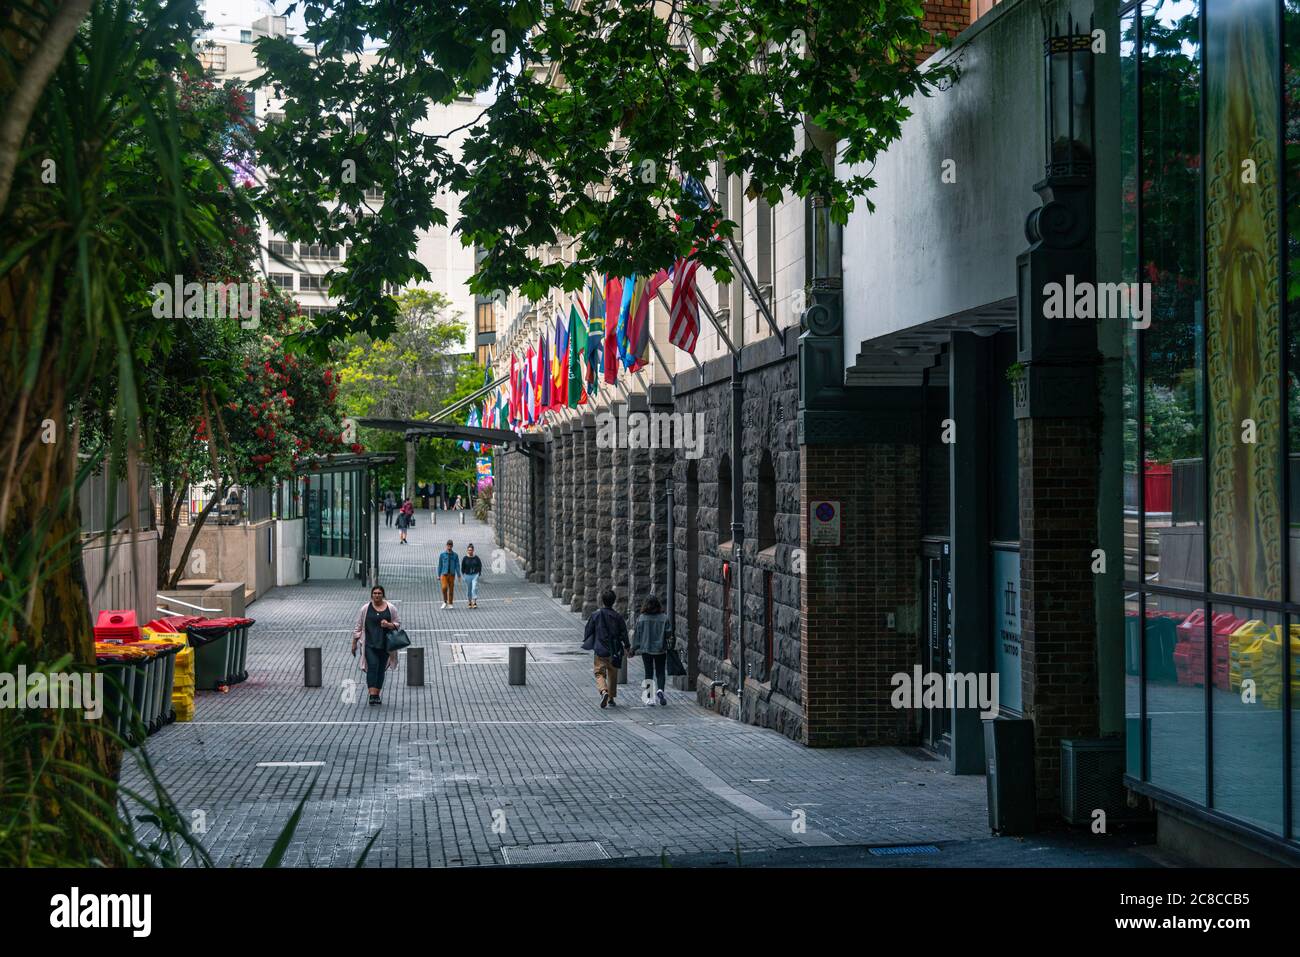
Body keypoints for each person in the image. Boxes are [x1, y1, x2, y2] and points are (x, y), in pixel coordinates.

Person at [352, 585, 401, 706]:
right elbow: (358, 627)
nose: (377, 595)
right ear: (371, 595)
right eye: (375, 593)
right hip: (369, 644)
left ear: (383, 595)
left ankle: (377, 694)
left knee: (381, 669)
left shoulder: (391, 608)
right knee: (372, 666)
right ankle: (372, 695)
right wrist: (354, 643)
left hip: (386, 645)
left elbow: (397, 624)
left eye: (379, 593)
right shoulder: (365, 609)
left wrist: (388, 625)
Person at [582, 589, 629, 709]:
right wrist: (627, 646)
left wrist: (588, 639)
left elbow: (588, 630)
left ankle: (603, 691)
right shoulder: (617, 616)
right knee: (613, 673)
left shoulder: (596, 615)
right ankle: (611, 698)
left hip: (600, 649)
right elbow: (624, 633)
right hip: (614, 650)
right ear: (614, 601)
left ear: (602, 601)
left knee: (599, 673)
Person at [632, 594, 671, 706]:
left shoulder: (641, 618)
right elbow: (669, 633)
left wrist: (633, 649)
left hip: (646, 649)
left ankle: (649, 698)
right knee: (660, 672)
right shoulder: (664, 618)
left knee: (648, 672)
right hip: (660, 649)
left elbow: (637, 635)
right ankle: (660, 690)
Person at [437, 540, 461, 609]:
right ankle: (445, 601)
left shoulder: (455, 555)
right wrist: (438, 575)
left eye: (450, 545)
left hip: (452, 574)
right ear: (446, 545)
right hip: (444, 574)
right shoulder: (442, 555)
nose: (449, 547)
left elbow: (457, 565)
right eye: (448, 545)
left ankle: (450, 603)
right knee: (444, 587)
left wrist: (459, 575)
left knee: (451, 589)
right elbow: (440, 565)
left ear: (452, 546)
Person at [461, 544, 482, 609]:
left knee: (474, 588)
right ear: (467, 550)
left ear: (473, 550)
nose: (470, 551)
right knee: (469, 589)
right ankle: (470, 602)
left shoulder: (476, 558)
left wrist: (479, 573)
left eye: (471, 550)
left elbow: (479, 565)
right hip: (467, 575)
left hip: (475, 575)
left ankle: (474, 602)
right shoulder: (465, 558)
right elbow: (462, 567)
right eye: (469, 550)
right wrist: (463, 575)